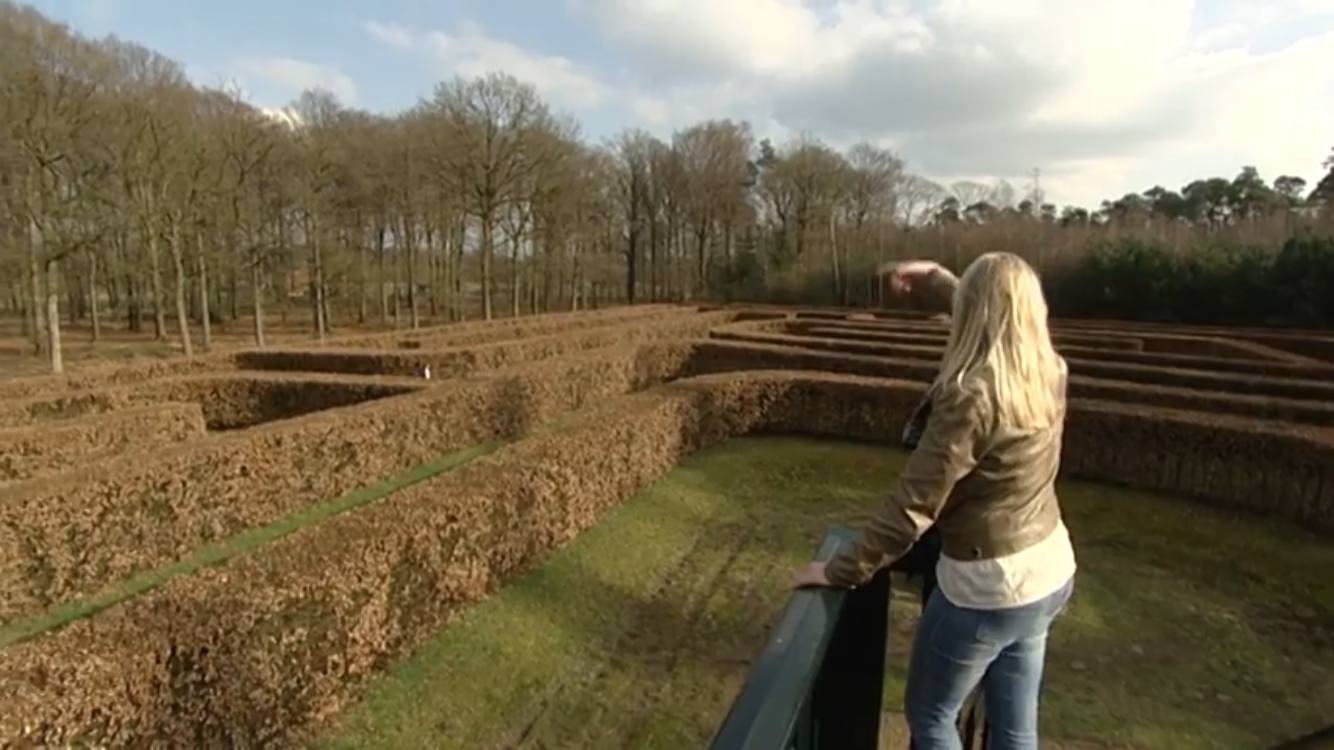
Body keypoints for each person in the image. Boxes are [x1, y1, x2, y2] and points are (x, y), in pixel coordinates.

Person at [792, 253, 1077, 750]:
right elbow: (990, 305)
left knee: (931, 716)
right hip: (1049, 570)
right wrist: (936, 278)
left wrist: (843, 569)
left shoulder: (972, 395)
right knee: (1014, 728)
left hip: (988, 584)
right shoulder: (1049, 369)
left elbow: (914, 505)